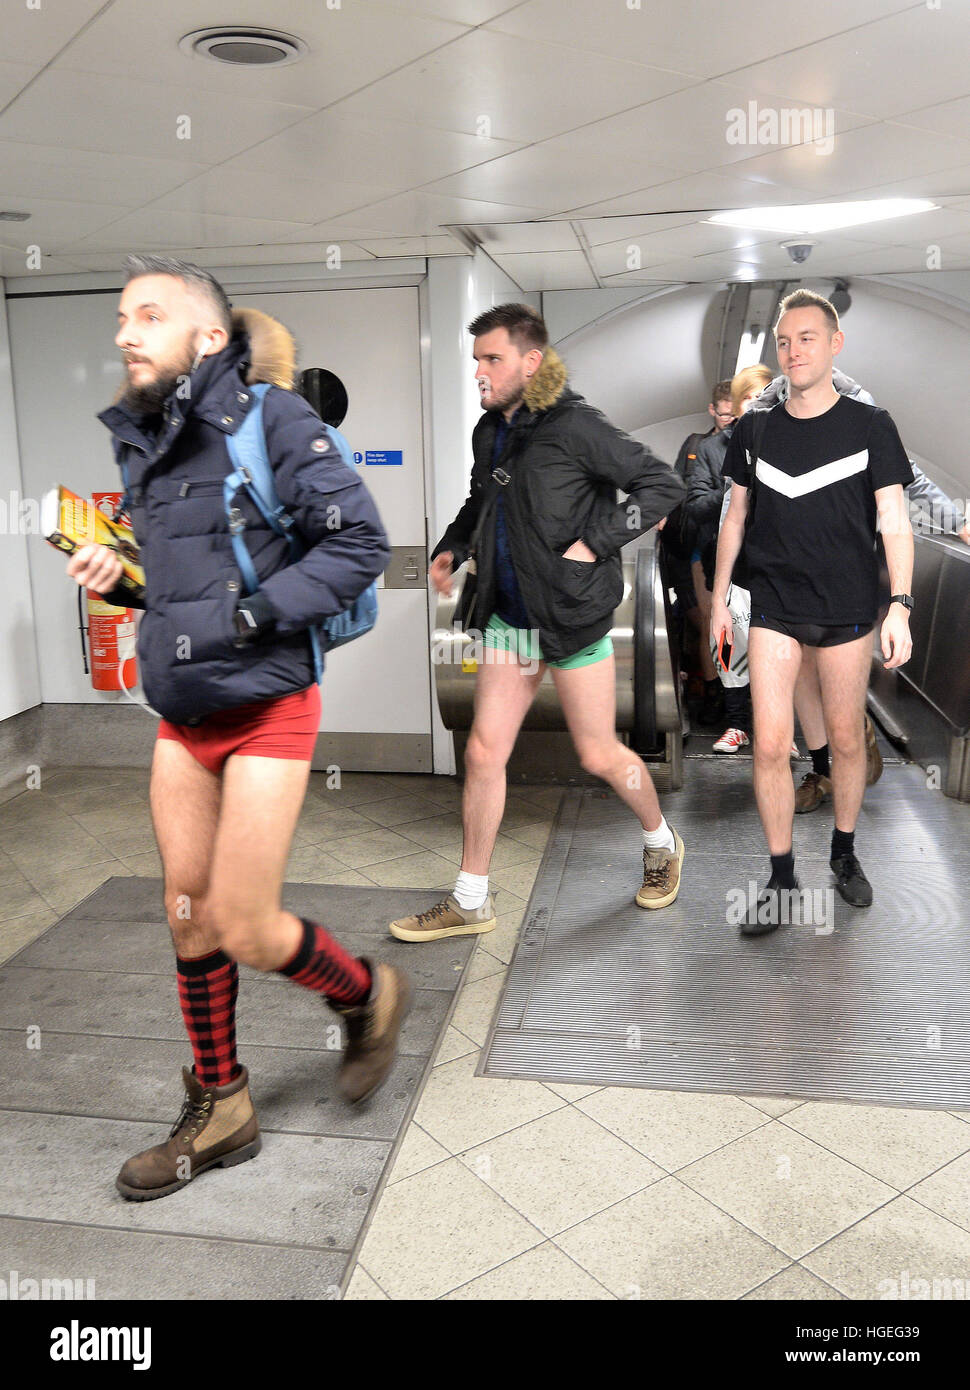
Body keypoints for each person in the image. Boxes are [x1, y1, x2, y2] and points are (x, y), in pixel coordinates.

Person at [65, 254, 407, 1201]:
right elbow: (182, 576)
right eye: (122, 317)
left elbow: (359, 545)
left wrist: (255, 617)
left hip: (267, 703)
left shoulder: (277, 420)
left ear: (209, 337)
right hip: (183, 712)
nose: (126, 332)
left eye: (149, 315)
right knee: (186, 916)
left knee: (246, 926)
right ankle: (223, 1103)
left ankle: (366, 992)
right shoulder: (140, 441)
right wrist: (121, 577)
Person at [388, 302, 686, 943]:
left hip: (573, 619)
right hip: (511, 622)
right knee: (484, 750)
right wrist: (453, 548)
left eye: (492, 359)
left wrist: (597, 541)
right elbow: (481, 501)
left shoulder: (578, 427)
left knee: (599, 753)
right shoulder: (490, 431)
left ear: (530, 361)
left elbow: (662, 485)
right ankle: (471, 899)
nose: (481, 373)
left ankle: (661, 843)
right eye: (476, 361)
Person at [711, 289, 914, 933]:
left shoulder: (870, 425)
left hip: (849, 605)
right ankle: (781, 877)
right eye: (784, 341)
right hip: (774, 602)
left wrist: (901, 605)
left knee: (846, 737)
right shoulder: (756, 428)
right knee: (771, 744)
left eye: (806, 338)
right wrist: (719, 600)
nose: (794, 351)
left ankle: (845, 851)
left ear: (834, 345)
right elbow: (734, 517)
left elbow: (895, 521)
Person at [685, 364, 774, 752]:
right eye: (750, 397)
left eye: (764, 395)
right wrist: (733, 494)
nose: (757, 403)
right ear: (735, 406)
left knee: (773, 648)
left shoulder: (792, 441)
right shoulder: (711, 449)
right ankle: (737, 724)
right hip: (727, 562)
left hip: (775, 564)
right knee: (729, 643)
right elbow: (695, 505)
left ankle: (775, 728)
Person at [662, 380, 733, 723]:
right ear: (712, 411)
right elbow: (679, 489)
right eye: (724, 415)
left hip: (739, 548)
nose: (729, 421)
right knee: (706, 621)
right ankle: (715, 690)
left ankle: (735, 696)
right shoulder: (698, 447)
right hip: (700, 544)